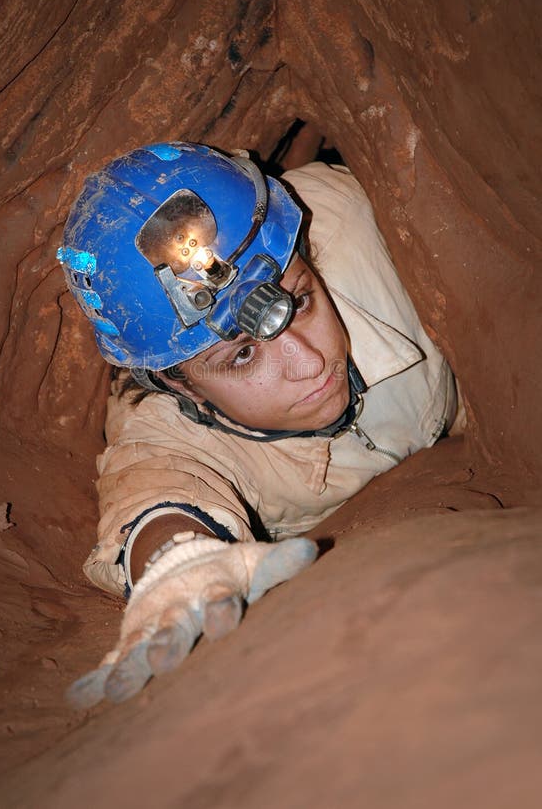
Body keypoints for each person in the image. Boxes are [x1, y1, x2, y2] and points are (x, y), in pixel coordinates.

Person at [57, 141, 459, 707]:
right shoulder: (161, 424)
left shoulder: (356, 221)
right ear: (178, 382)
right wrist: (181, 563)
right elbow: (155, 491)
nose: (311, 361)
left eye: (300, 299)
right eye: (242, 355)